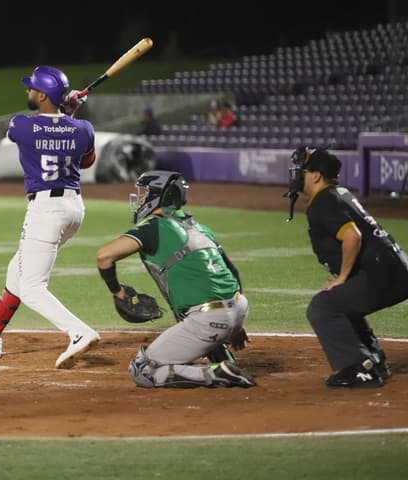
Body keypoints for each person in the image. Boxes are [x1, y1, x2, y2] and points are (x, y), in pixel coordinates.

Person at [0, 65, 100, 369]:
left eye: (32, 88)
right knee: (15, 273)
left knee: (32, 286)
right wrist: (68, 115)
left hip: (46, 210)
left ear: (42, 95)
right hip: (74, 210)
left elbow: (37, 132)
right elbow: (86, 160)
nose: (28, 91)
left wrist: (64, 111)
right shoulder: (84, 128)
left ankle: (78, 332)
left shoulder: (21, 125)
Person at [95, 170, 256, 388]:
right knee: (191, 315)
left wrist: (118, 292)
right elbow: (233, 272)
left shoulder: (154, 227)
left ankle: (218, 374)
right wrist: (236, 327)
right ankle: (222, 359)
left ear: (158, 196)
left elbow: (104, 256)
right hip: (238, 309)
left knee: (143, 370)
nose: (141, 199)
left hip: (210, 319)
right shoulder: (200, 227)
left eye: (145, 193)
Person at [283, 146, 408, 388]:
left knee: (322, 307)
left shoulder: (323, 201)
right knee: (340, 301)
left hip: (383, 272)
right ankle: (374, 361)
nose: (296, 175)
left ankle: (361, 367)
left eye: (302, 170)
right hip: (394, 267)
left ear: (316, 175)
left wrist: (342, 277)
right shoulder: (339, 193)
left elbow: (353, 236)